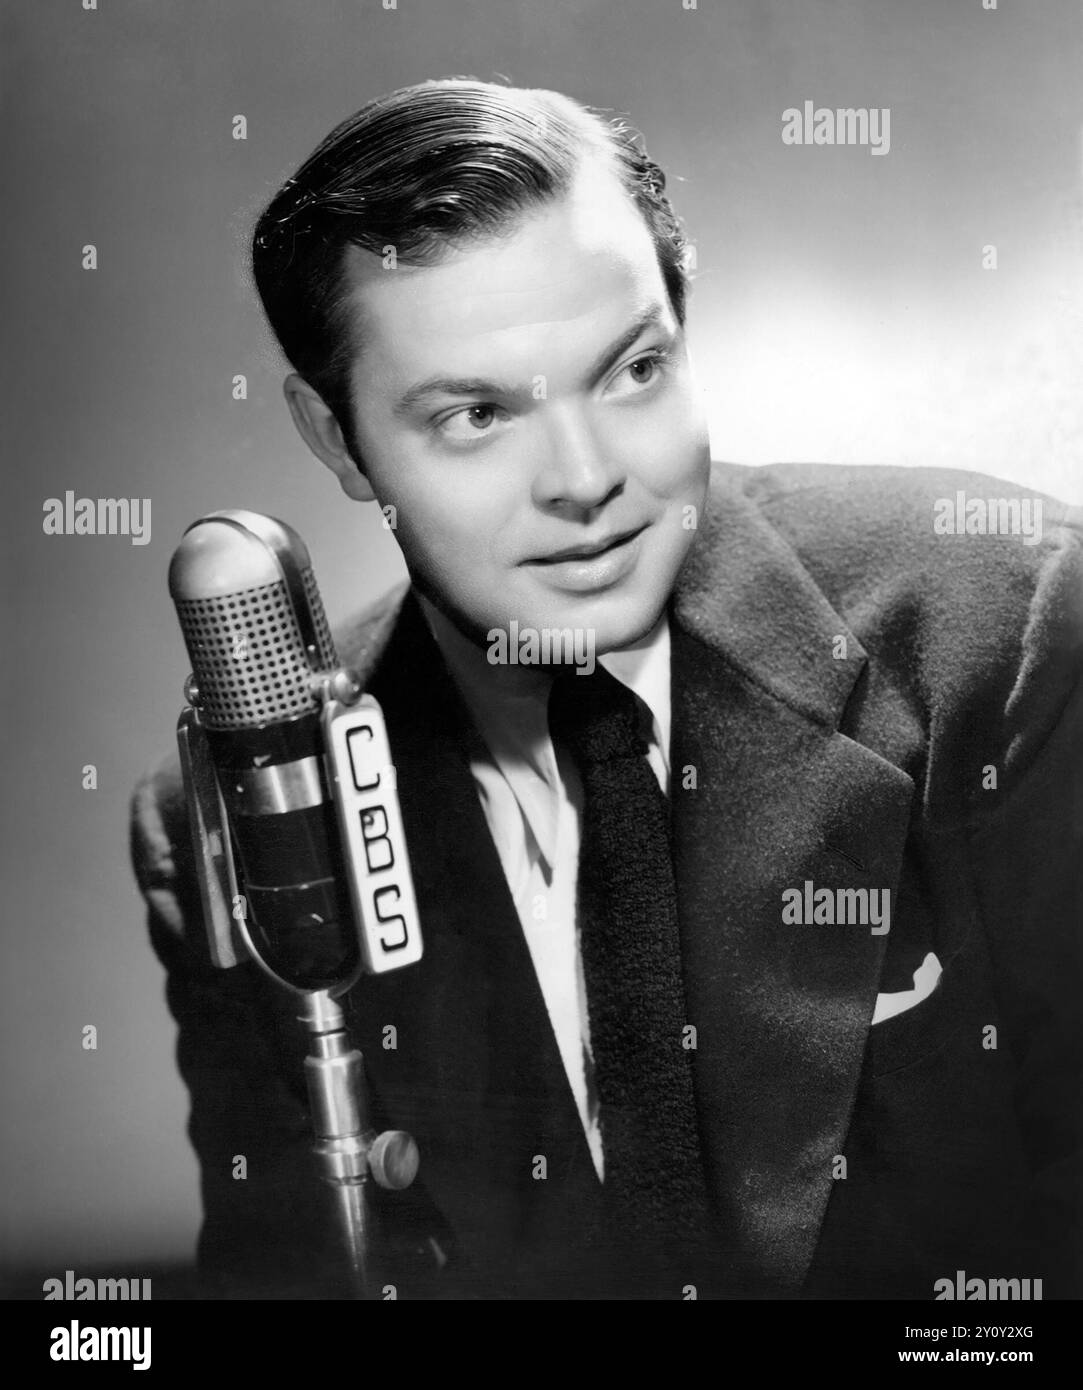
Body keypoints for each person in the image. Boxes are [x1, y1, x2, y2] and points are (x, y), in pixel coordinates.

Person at [131, 77, 1083, 1300]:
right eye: (476, 414)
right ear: (334, 436)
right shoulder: (233, 824)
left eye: (633, 369)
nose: (586, 479)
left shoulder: (1009, 630)